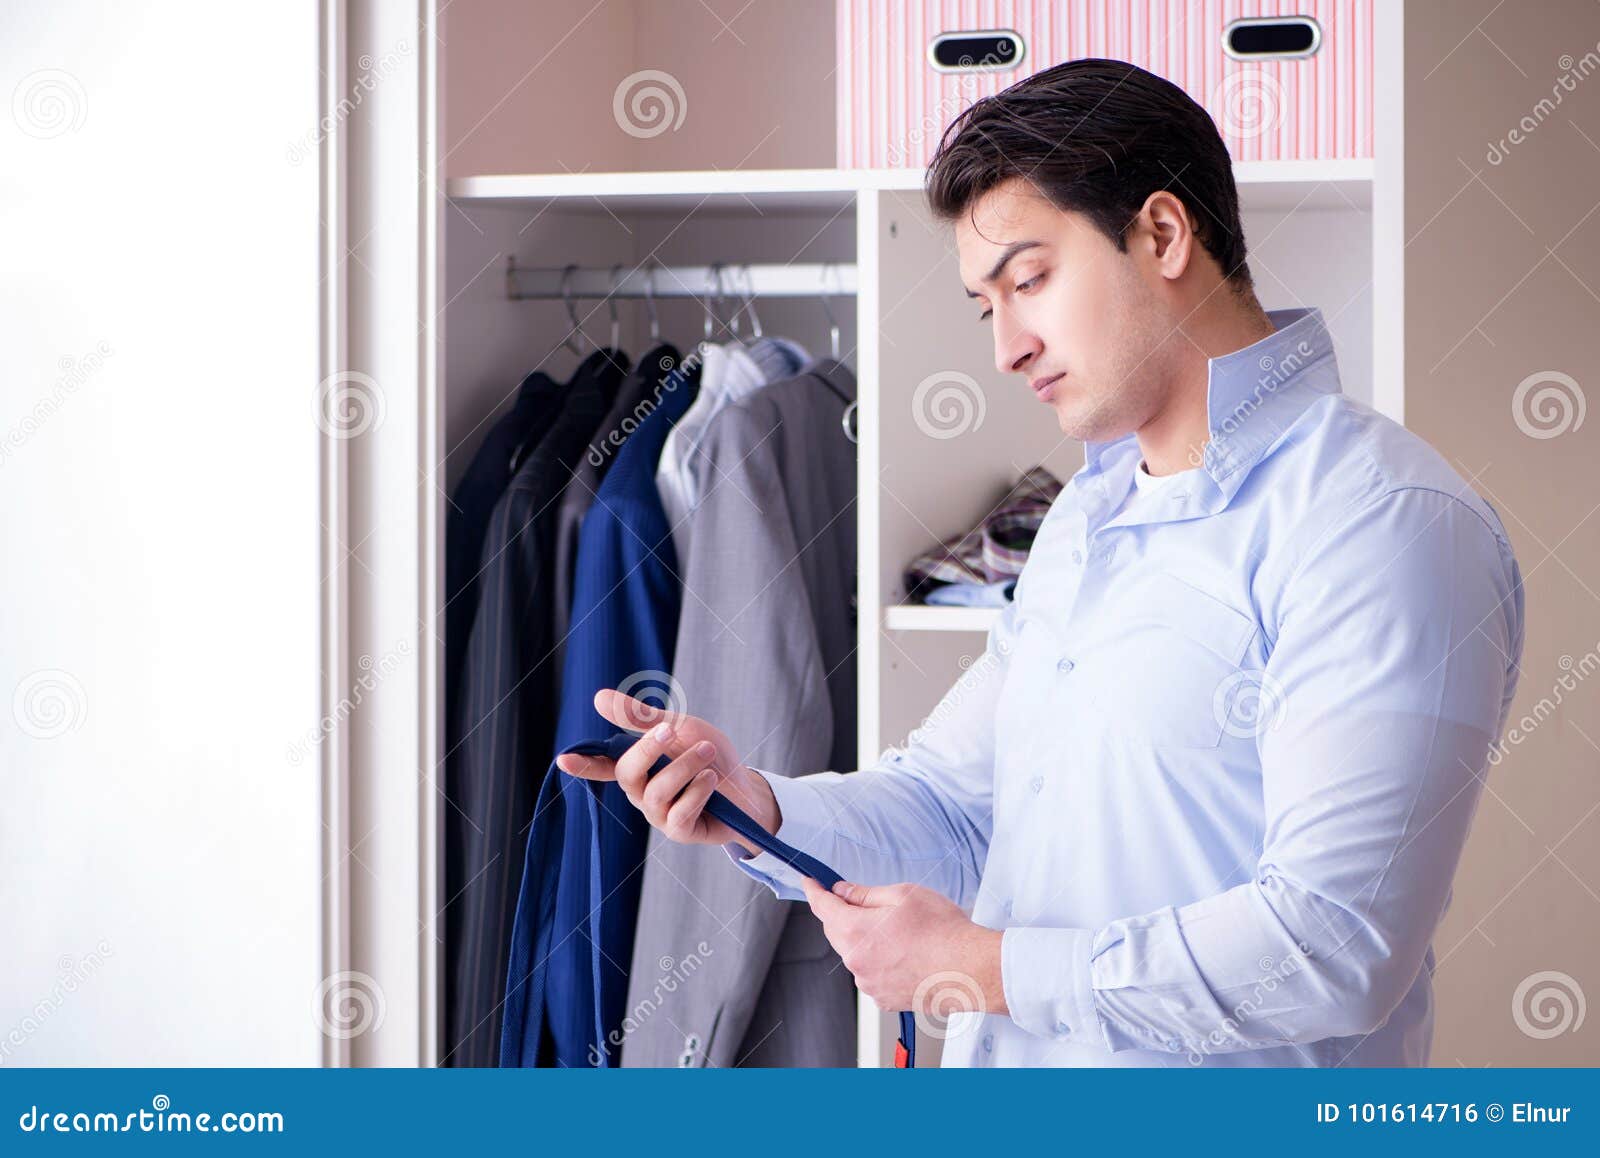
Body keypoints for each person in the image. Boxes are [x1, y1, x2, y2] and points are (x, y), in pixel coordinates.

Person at [557, 60, 1525, 1067]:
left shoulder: (1382, 524)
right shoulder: (1081, 522)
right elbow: (956, 810)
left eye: (1030, 280)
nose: (1006, 347)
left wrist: (986, 970)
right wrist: (759, 804)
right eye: (987, 305)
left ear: (1161, 234)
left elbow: (1335, 948)